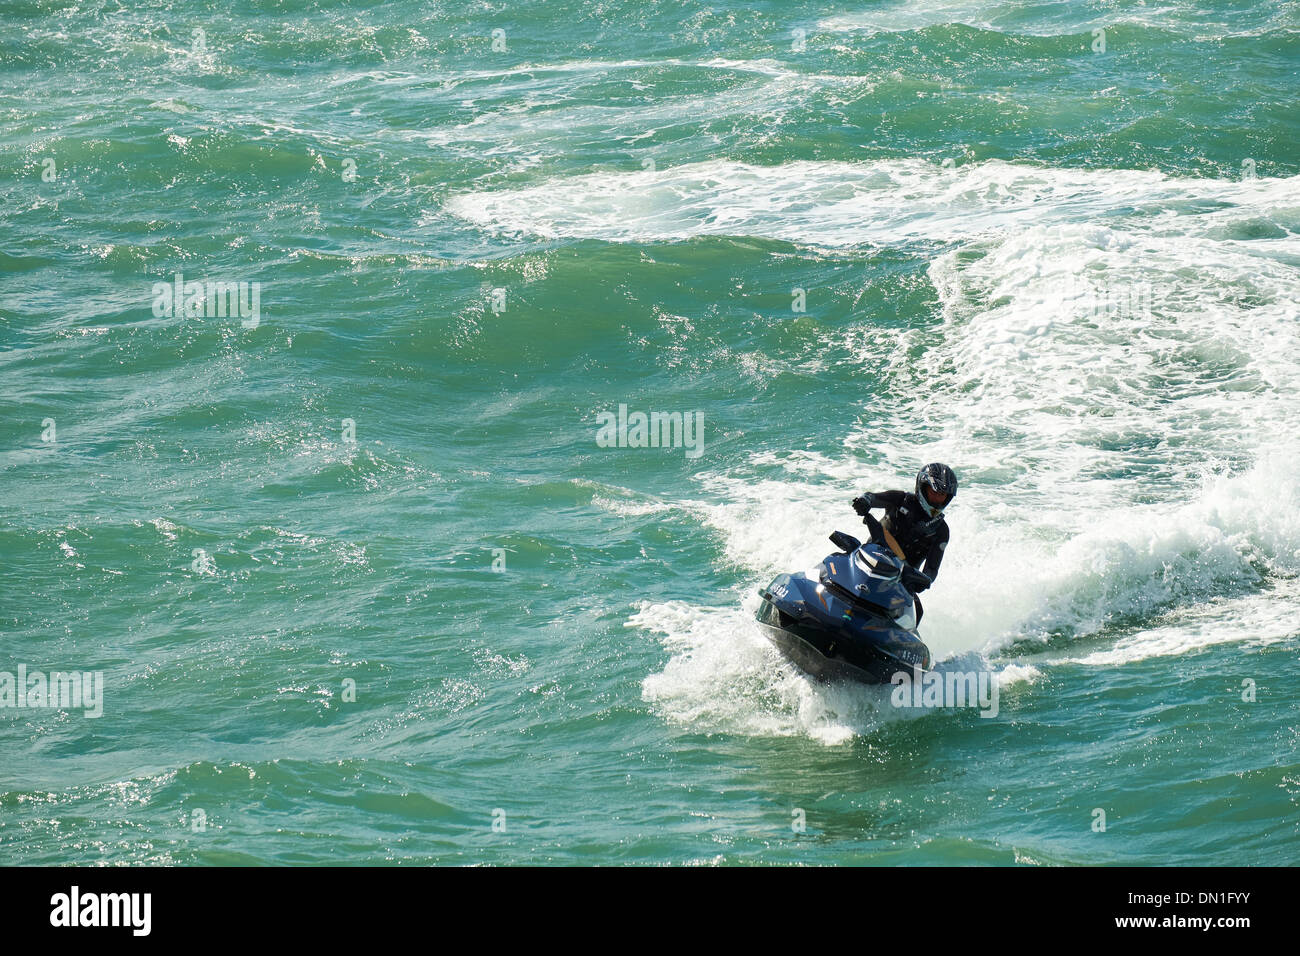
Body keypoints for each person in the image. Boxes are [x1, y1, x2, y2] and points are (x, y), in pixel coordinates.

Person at [852, 463, 958, 621]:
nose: (938, 498)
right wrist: (864, 502)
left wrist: (922, 580)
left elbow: (931, 570)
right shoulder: (900, 499)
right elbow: (871, 497)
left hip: (899, 583)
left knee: (913, 614)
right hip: (867, 563)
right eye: (934, 492)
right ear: (922, 488)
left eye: (942, 495)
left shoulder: (941, 531)